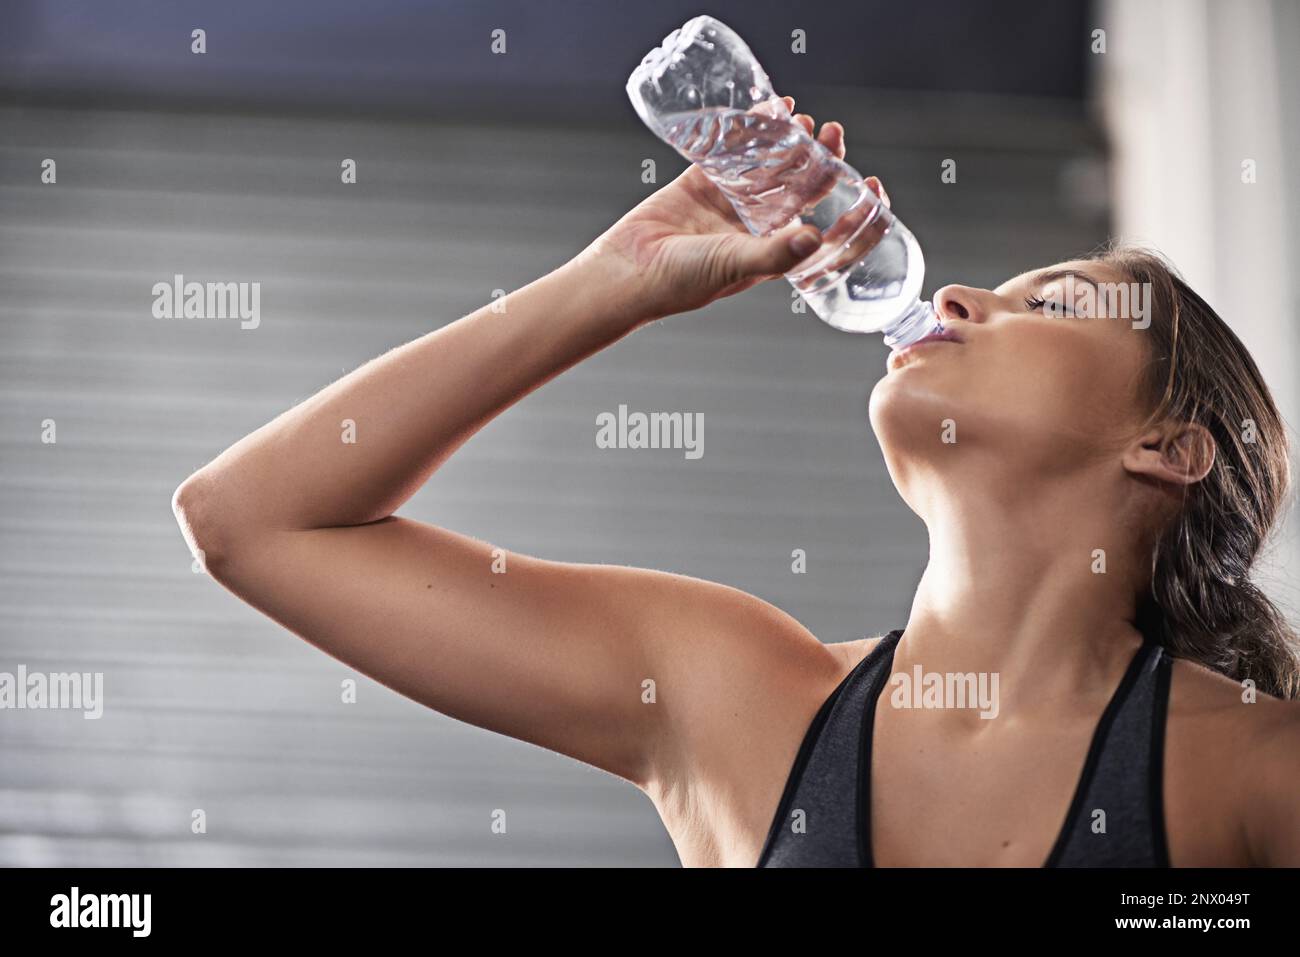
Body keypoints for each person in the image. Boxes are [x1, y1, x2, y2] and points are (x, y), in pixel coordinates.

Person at [172, 96, 1300, 867]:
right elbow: (249, 521)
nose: (957, 297)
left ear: (1166, 448)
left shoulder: (1257, 769)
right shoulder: (737, 698)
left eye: (1047, 302)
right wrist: (612, 282)